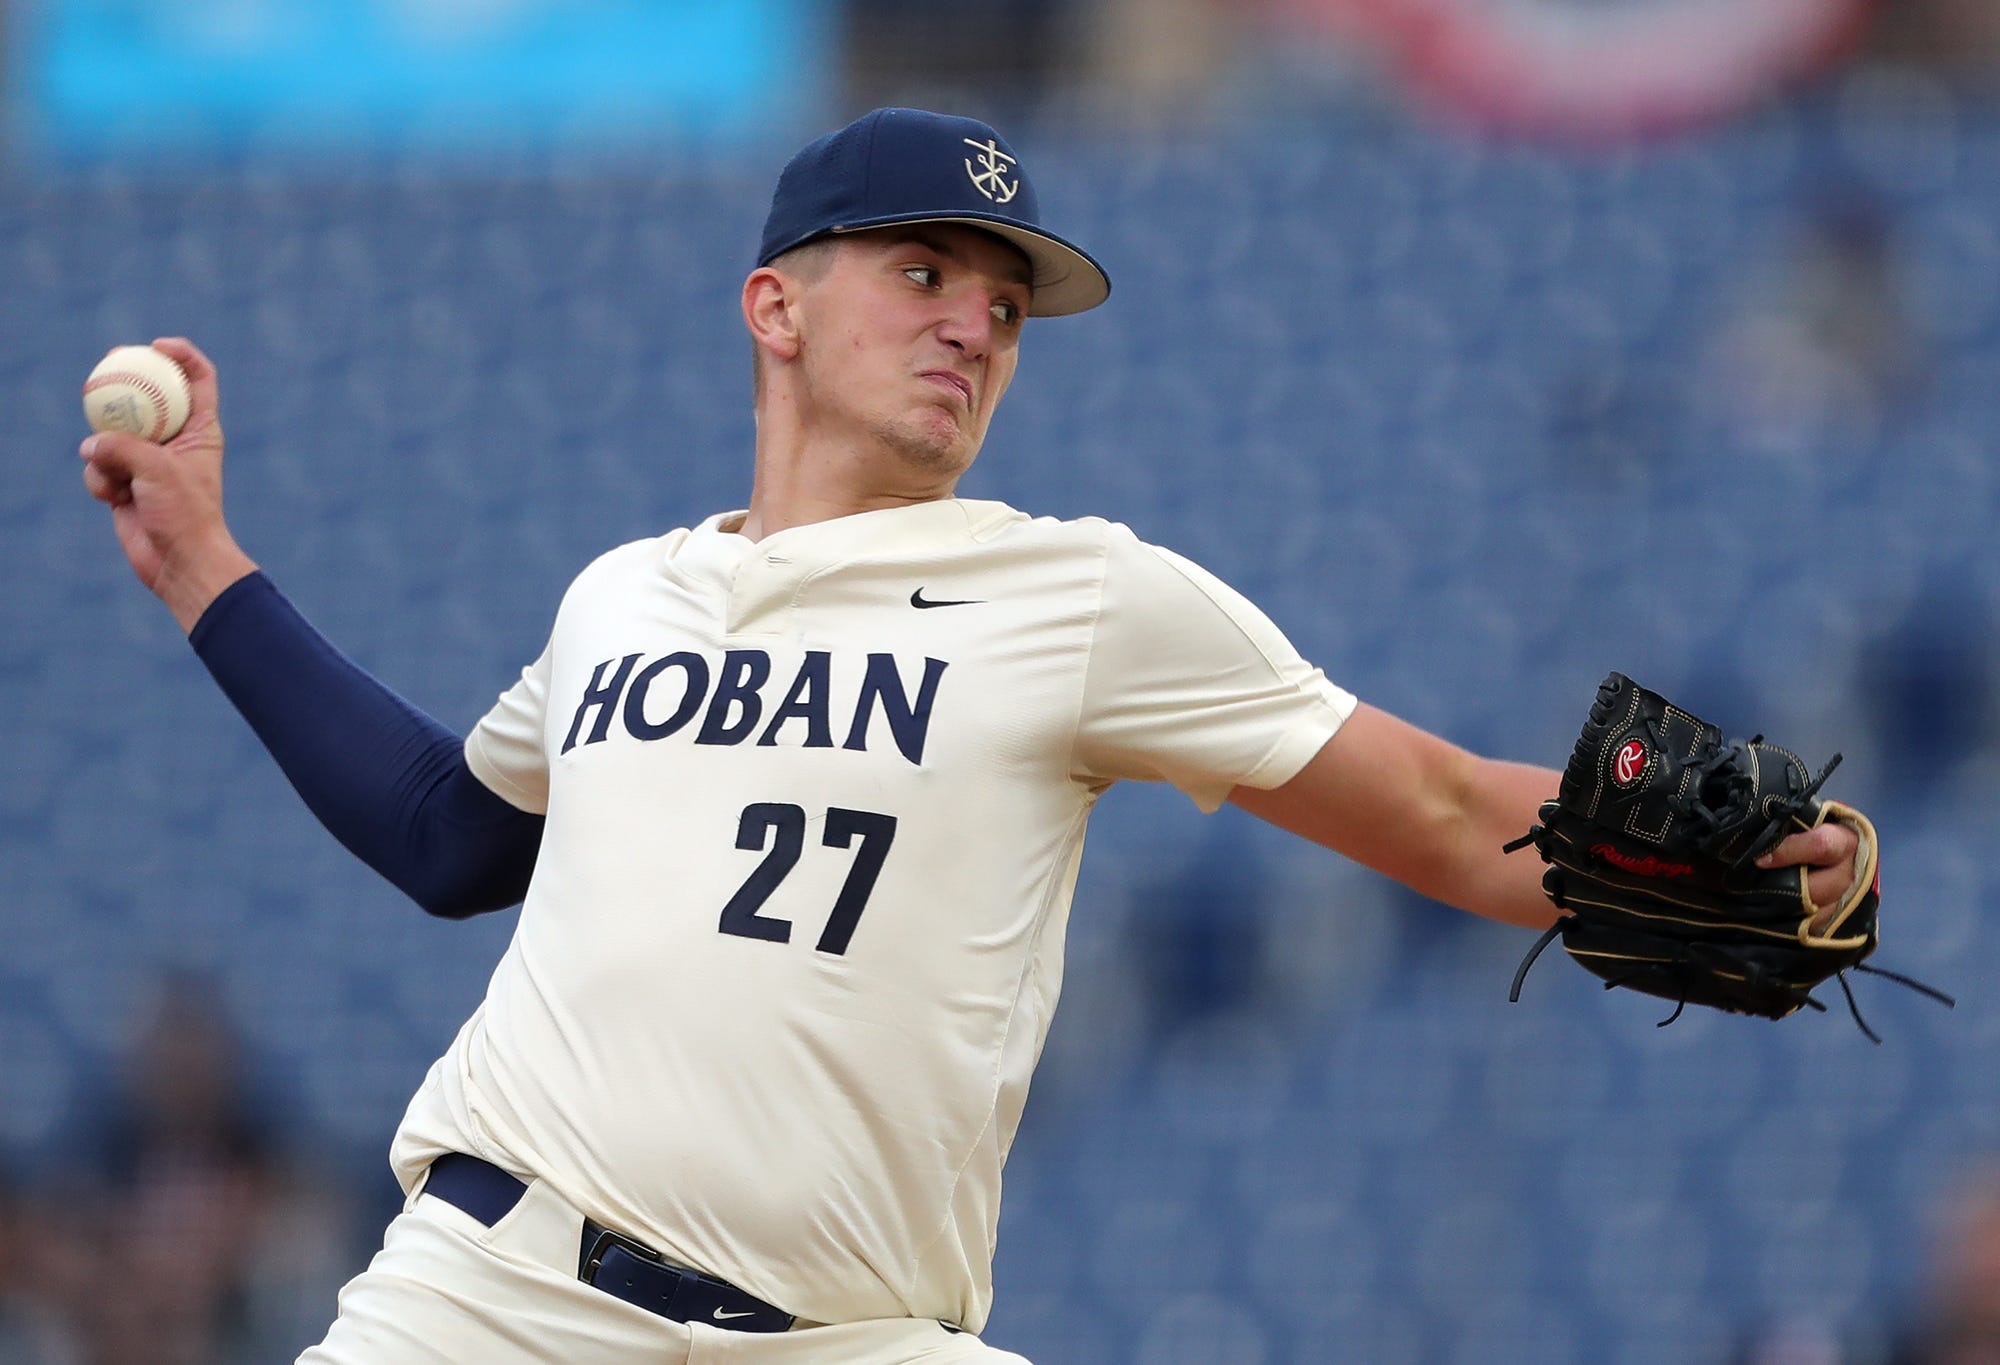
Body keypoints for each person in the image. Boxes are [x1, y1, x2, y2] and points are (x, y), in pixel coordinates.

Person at [78, 107, 1863, 1365]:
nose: (974, 325)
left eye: (1004, 307)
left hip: (855, 1341)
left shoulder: (1081, 594)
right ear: (774, 303)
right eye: (925, 270)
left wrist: (1733, 870)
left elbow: (1442, 804)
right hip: (491, 1299)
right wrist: (201, 564)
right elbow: (445, 835)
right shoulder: (624, 594)